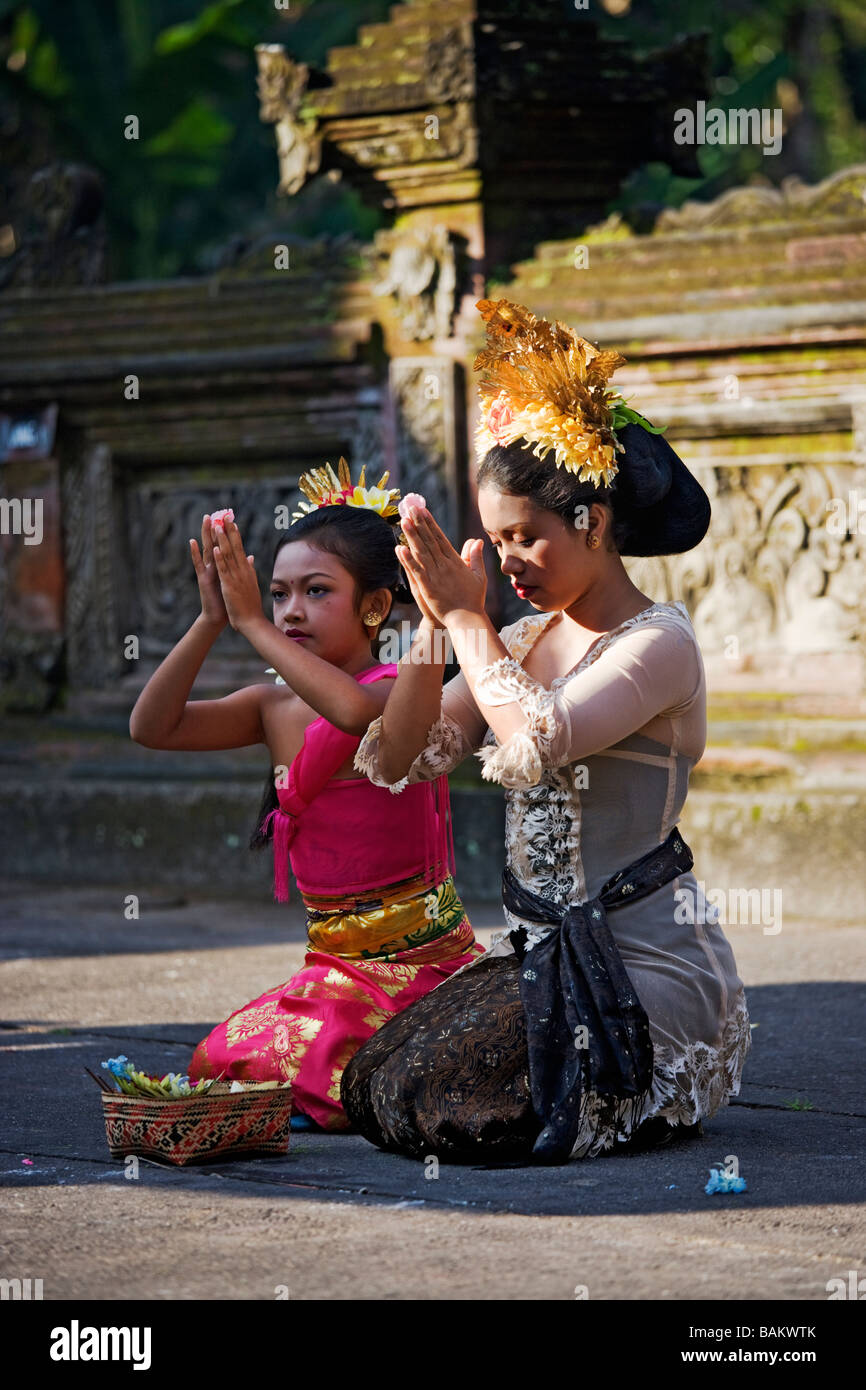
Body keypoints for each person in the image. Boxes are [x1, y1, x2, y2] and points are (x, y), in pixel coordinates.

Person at [342, 298, 751, 1164]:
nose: (512, 564)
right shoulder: (519, 640)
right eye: (497, 541)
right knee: (375, 1081)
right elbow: (400, 754)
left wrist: (470, 621)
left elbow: (541, 736)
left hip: (647, 968)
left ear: (594, 524)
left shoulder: (660, 644)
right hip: (537, 957)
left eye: (527, 538)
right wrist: (432, 624)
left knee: (459, 1110)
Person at [128, 462, 481, 1131]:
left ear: (375, 607)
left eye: (316, 592)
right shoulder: (270, 705)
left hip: (421, 965)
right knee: (220, 1058)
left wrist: (253, 624)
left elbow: (351, 714)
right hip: (334, 970)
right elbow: (153, 727)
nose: (290, 610)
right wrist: (211, 622)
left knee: (353, 1079)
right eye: (280, 593)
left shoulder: (393, 684)